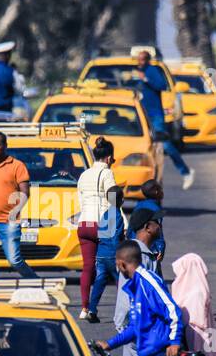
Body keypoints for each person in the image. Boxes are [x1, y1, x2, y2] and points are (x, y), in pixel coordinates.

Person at [132, 50, 194, 190]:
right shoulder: (138, 73)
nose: (140, 62)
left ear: (148, 60)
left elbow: (162, 85)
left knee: (165, 145)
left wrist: (146, 79)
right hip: (142, 117)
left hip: (155, 115)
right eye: (139, 59)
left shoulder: (152, 71)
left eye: (143, 59)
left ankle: (186, 172)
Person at [0, 130, 37, 280]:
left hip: (9, 223)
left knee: (15, 260)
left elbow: (25, 193)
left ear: (5, 145)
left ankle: (36, 282)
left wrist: (16, 210)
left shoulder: (17, 166)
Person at [171, 252, 216, 356]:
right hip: (209, 336)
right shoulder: (200, 289)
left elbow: (196, 323)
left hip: (198, 340)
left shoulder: (194, 294)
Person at [76, 138, 117, 315]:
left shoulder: (84, 174)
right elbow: (113, 201)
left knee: (87, 267)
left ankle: (84, 308)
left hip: (84, 224)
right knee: (111, 267)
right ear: (108, 158)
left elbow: (80, 201)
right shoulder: (107, 173)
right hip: (101, 224)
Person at [85, 187, 125, 323]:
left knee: (99, 282)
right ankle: (125, 313)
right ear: (121, 200)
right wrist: (119, 254)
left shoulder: (105, 214)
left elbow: (100, 234)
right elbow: (115, 237)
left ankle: (92, 310)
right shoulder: (118, 215)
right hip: (112, 255)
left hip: (101, 254)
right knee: (122, 284)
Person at [138, 179, 166, 270]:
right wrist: (161, 248)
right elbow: (158, 230)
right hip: (151, 250)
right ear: (157, 192)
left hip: (136, 247)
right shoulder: (157, 210)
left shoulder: (138, 206)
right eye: (161, 190)